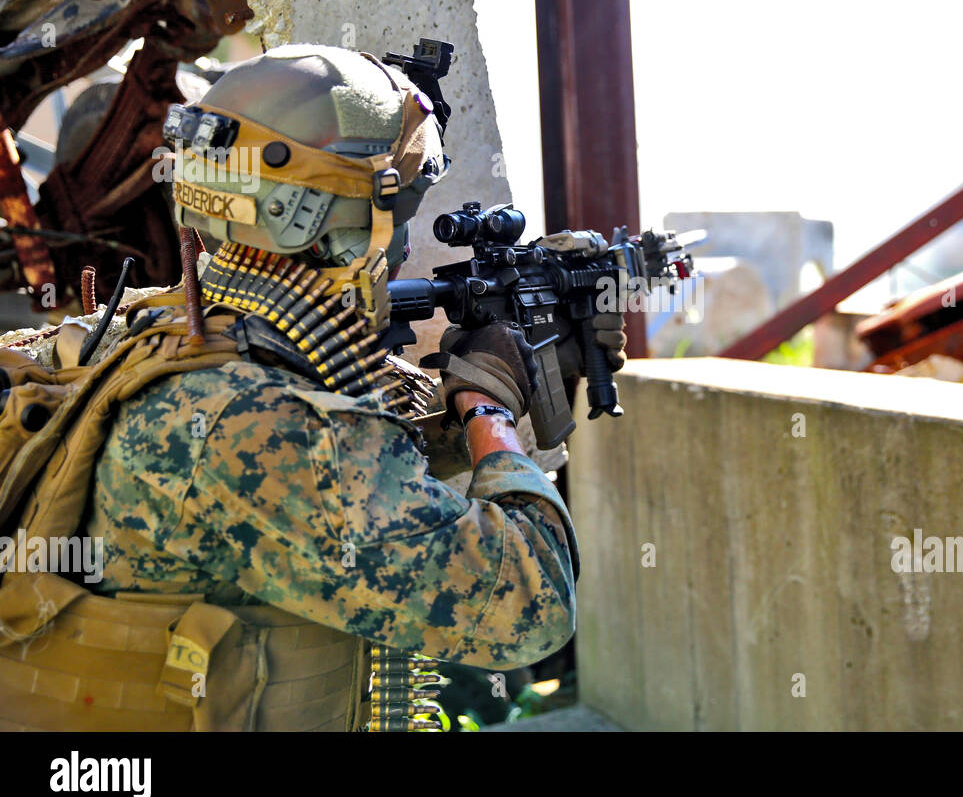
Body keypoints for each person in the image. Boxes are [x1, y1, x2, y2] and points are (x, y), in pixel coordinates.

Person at [0, 44, 622, 731]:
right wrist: (490, 406)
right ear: (330, 218)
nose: (404, 244)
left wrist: (450, 420)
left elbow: (352, 485)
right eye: (402, 208)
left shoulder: (145, 327)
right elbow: (524, 606)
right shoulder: (252, 419)